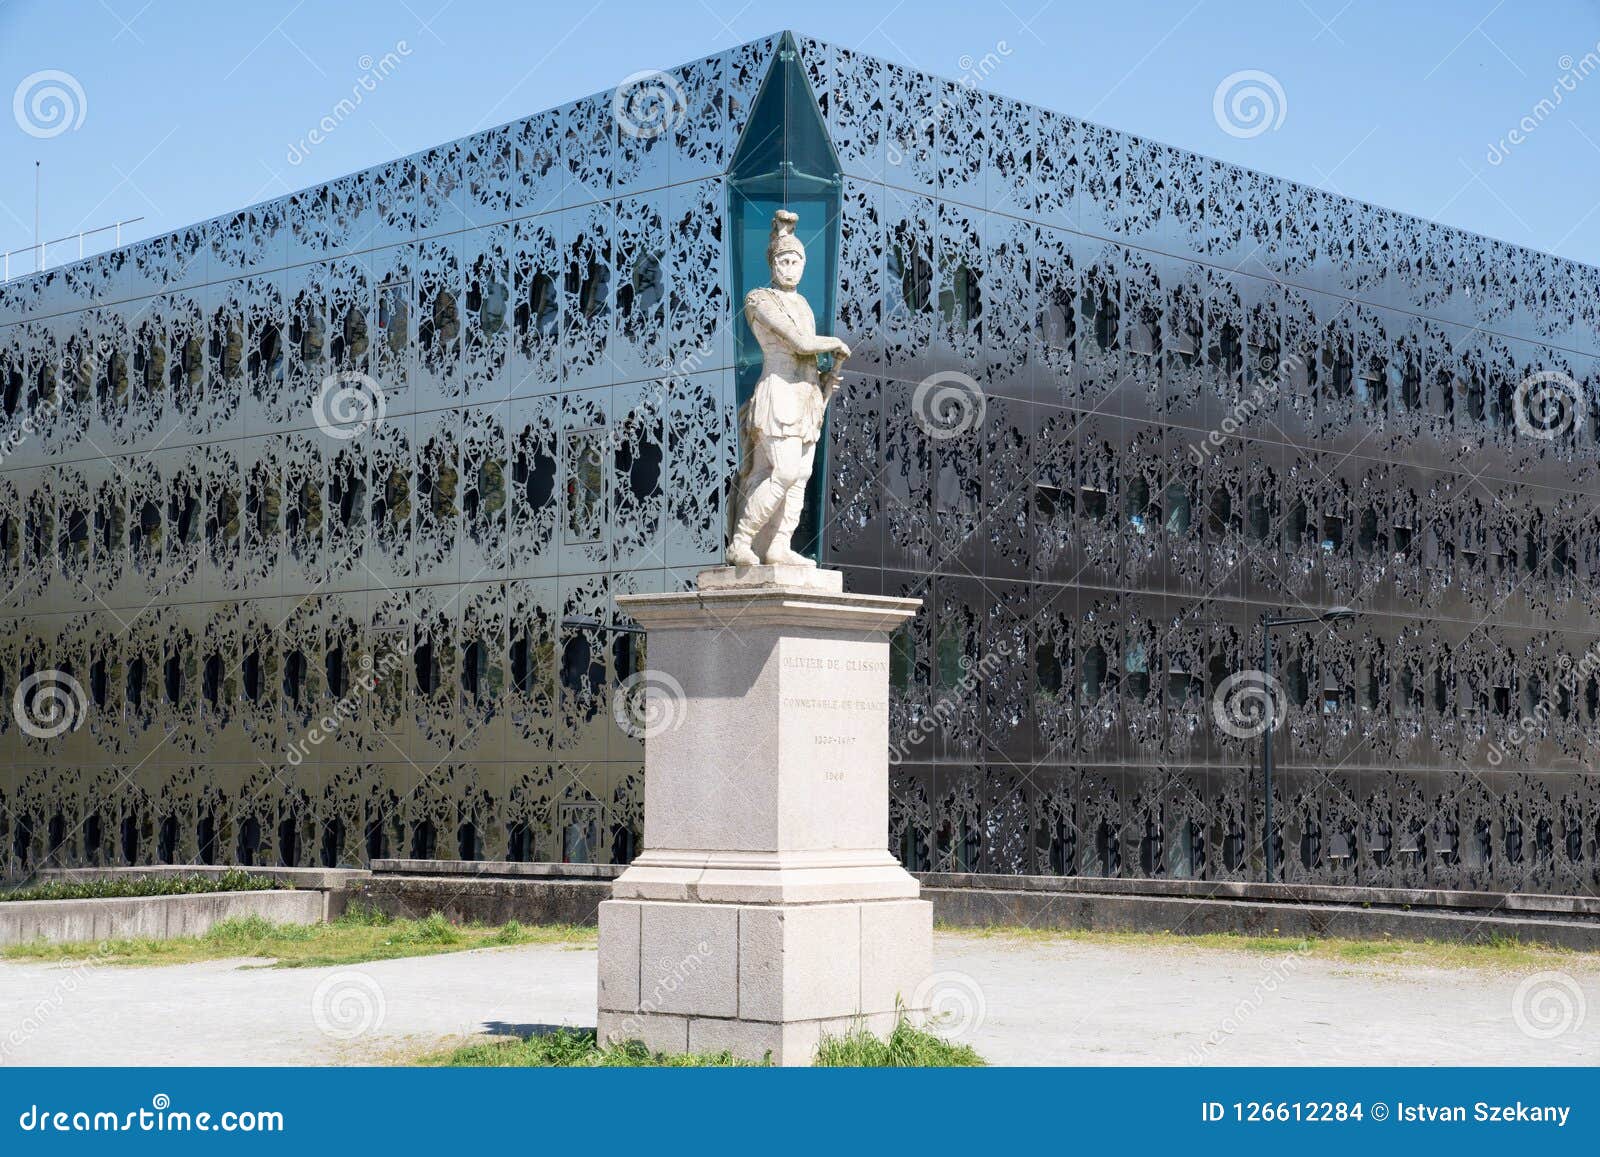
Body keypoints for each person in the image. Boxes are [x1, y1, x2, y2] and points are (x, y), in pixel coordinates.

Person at [727, 209, 850, 567]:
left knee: (801, 476)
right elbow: (798, 341)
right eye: (783, 260)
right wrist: (834, 343)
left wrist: (825, 378)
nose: (790, 267)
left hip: (807, 396)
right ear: (773, 263)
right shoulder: (759, 300)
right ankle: (741, 540)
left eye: (796, 260)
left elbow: (808, 354)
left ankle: (779, 545)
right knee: (780, 472)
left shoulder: (805, 304)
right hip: (778, 393)